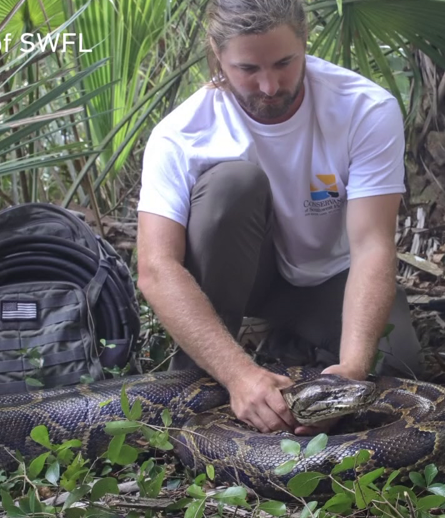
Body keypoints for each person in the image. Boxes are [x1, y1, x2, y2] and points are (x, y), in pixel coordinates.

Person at [136, 0, 420, 436]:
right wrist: (238, 375)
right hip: (245, 282)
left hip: (328, 277)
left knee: (396, 364)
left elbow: (371, 246)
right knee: (232, 185)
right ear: (217, 53)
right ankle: (199, 378)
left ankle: (288, 343)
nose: (269, 86)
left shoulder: (364, 108)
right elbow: (157, 268)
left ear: (304, 40)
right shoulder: (181, 134)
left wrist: (349, 374)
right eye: (248, 69)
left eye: (285, 63)